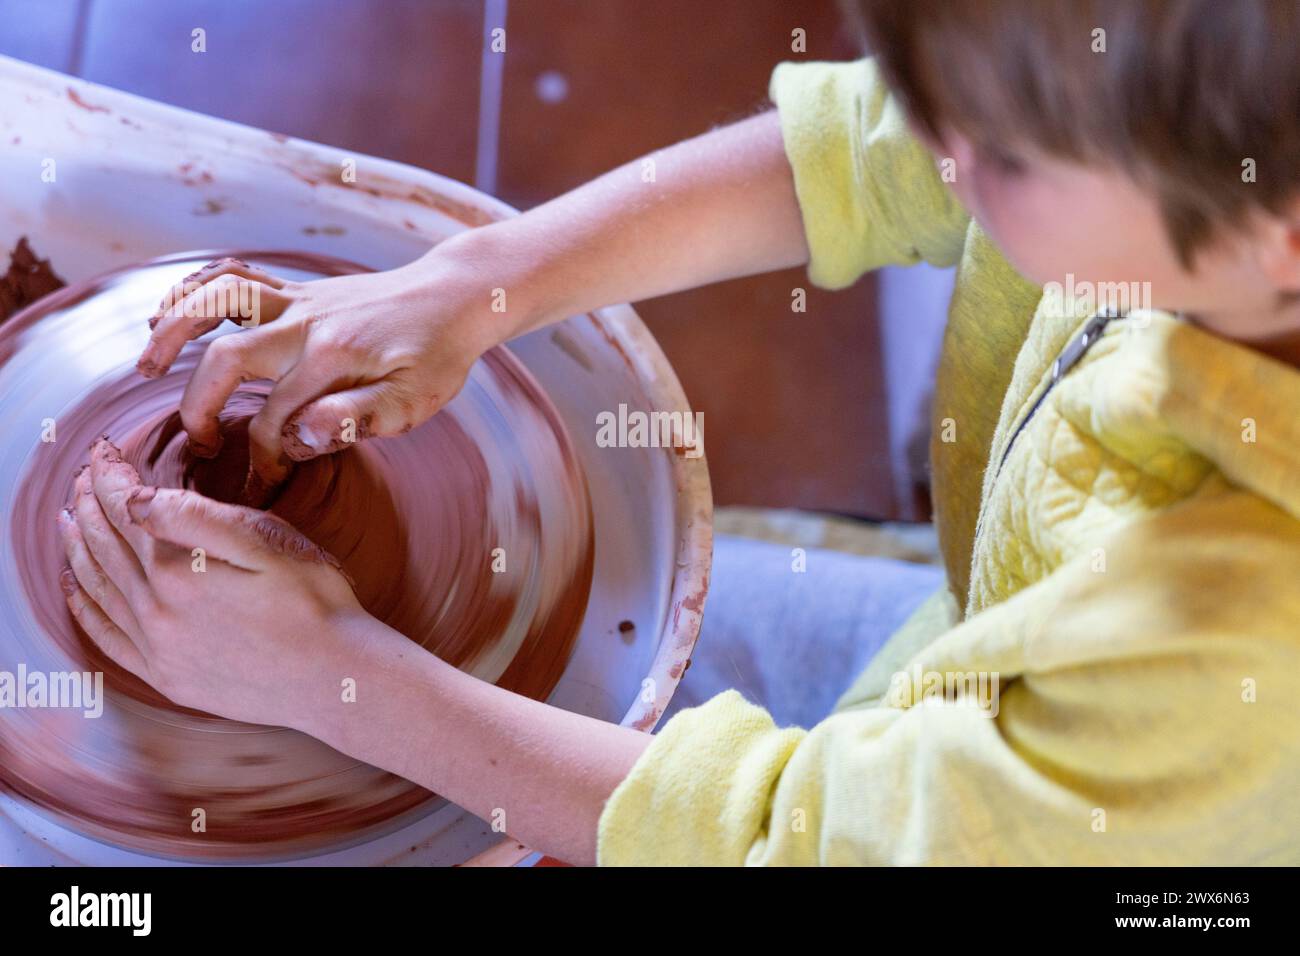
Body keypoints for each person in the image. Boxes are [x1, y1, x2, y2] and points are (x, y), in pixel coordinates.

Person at [58, 0, 1300, 865]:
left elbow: (788, 843)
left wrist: (327, 673)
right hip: (971, 642)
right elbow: (877, 152)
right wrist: (467, 282)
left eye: (992, 151)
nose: (932, 141)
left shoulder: (1222, 664)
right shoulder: (1165, 135)